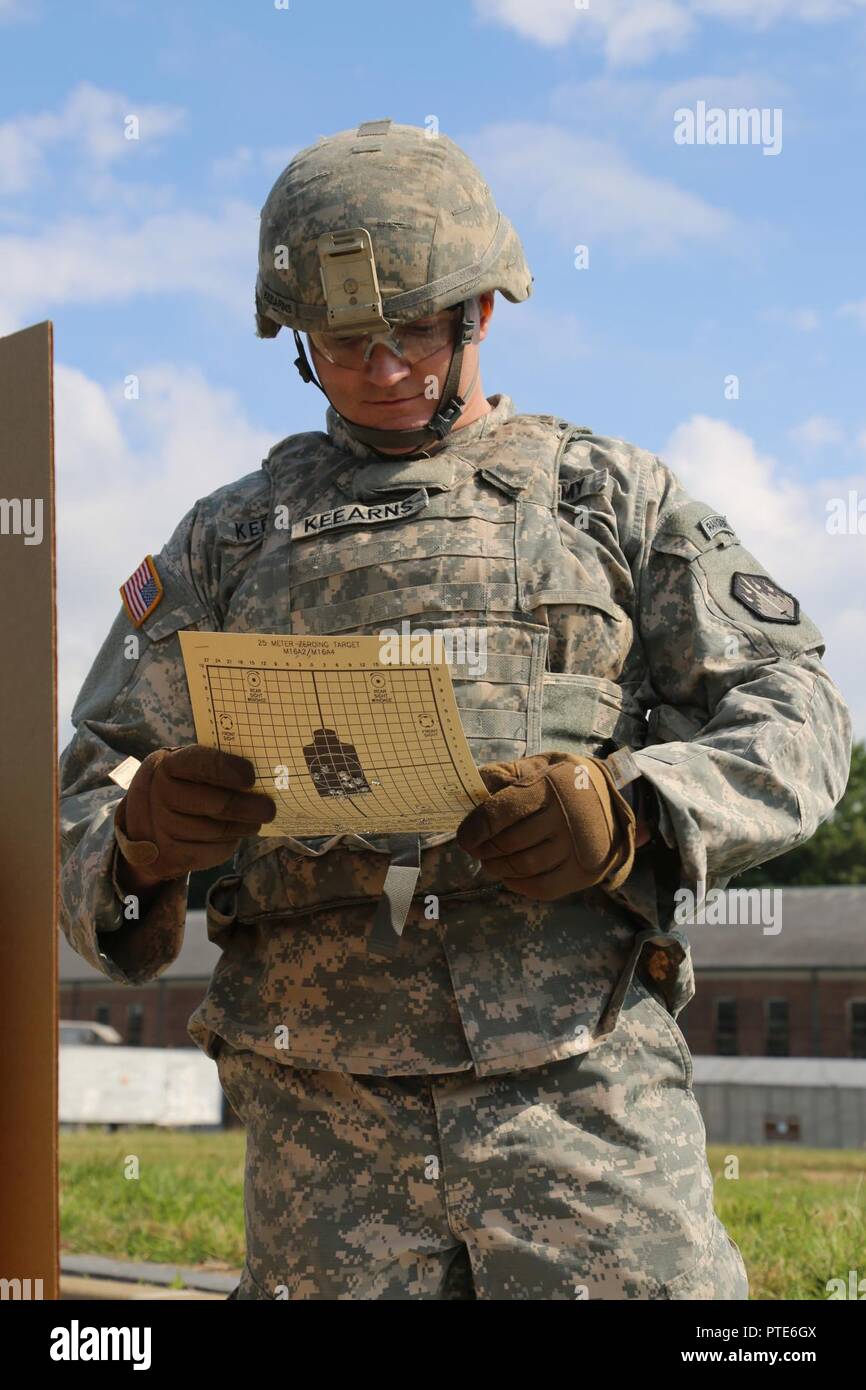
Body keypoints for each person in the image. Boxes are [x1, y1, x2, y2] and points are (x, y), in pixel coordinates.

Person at [59, 118, 852, 1301]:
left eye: (411, 331)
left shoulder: (609, 501)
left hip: (580, 1102)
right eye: (341, 341)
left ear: (480, 310)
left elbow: (800, 714)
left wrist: (632, 808)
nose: (380, 368)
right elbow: (73, 800)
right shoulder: (226, 541)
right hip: (318, 1127)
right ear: (293, 342)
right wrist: (136, 843)